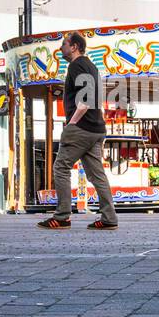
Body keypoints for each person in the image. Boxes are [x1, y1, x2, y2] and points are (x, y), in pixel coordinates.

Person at [37, 31, 119, 230]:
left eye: (64, 44)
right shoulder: (91, 66)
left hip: (81, 128)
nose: (60, 48)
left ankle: (62, 216)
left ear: (74, 47)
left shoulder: (76, 65)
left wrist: (71, 124)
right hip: (96, 127)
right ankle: (109, 218)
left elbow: (86, 99)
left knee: (61, 167)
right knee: (97, 174)